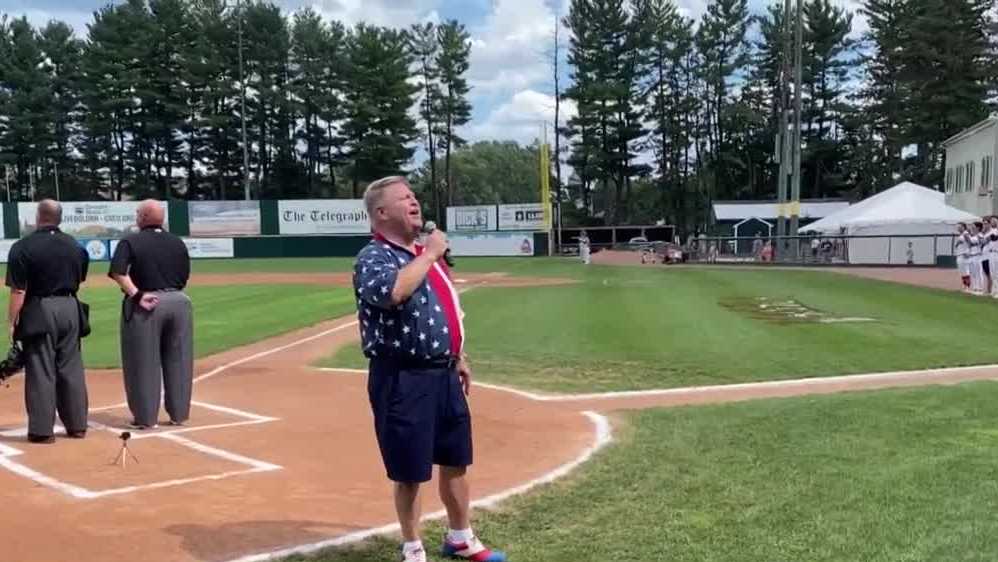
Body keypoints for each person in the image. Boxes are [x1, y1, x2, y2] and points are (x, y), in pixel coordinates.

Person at [352, 176, 506, 562]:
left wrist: (459, 355)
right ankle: (413, 547)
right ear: (381, 213)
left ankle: (460, 537)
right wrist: (430, 255)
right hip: (403, 377)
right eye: (405, 199)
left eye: (415, 196)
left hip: (443, 373)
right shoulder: (375, 257)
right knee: (409, 469)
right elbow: (392, 293)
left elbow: (447, 310)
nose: (415, 202)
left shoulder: (424, 254)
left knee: (456, 459)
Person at [5, 200, 90, 443]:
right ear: (59, 218)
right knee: (71, 368)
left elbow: (19, 291)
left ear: (38, 217)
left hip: (40, 307)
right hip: (71, 307)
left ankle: (42, 431)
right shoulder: (75, 245)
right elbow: (79, 277)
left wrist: (13, 322)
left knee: (41, 369)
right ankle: (77, 426)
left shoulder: (23, 246)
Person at [108, 200, 193, 429]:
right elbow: (185, 276)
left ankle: (146, 418)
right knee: (180, 361)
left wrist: (136, 295)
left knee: (142, 363)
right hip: (178, 302)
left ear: (144, 217)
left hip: (147, 304)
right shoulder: (177, 242)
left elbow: (118, 272)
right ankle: (179, 414)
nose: (136, 216)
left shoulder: (130, 240)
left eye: (138, 212)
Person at [955, 223, 972, 292]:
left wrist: (968, 252)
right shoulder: (961, 235)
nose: (958, 228)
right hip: (959, 255)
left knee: (965, 271)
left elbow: (970, 243)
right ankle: (965, 286)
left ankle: (968, 287)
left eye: (960, 226)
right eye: (957, 227)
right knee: (962, 272)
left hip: (963, 255)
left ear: (963, 227)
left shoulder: (965, 234)